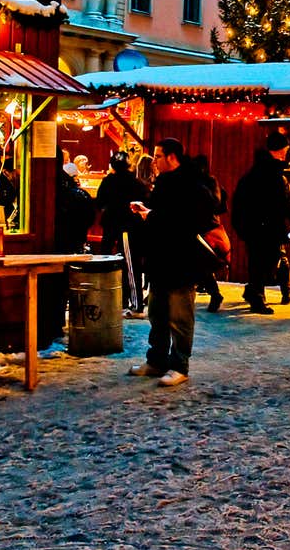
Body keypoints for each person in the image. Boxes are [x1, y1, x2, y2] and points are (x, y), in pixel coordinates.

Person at [125, 139, 217, 387]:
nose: (154, 161)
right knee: (157, 315)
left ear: (172, 157)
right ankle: (156, 361)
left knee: (179, 317)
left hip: (181, 261)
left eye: (158, 156)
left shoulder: (192, 185)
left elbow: (187, 221)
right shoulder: (165, 183)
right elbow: (162, 215)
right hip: (160, 259)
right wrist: (146, 211)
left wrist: (152, 215)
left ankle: (179, 365)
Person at [233, 133, 290, 314]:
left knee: (259, 261)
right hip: (266, 226)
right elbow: (282, 201)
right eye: (285, 150)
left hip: (254, 225)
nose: (286, 154)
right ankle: (256, 296)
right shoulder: (273, 173)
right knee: (264, 262)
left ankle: (254, 292)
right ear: (279, 151)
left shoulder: (257, 171)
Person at [95, 150, 148, 315]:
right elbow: (145, 203)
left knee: (105, 262)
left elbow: (99, 202)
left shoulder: (107, 181)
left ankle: (106, 301)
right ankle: (135, 304)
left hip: (111, 226)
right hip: (130, 227)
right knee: (131, 266)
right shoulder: (136, 183)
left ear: (112, 165)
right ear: (129, 164)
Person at [192, 154, 228, 312]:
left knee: (202, 263)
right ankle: (213, 293)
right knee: (201, 263)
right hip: (206, 226)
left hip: (205, 227)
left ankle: (214, 293)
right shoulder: (209, 181)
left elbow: (215, 203)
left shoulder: (202, 183)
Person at [55, 149, 96, 253]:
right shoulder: (76, 190)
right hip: (76, 237)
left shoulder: (56, 183)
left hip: (61, 237)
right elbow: (90, 215)